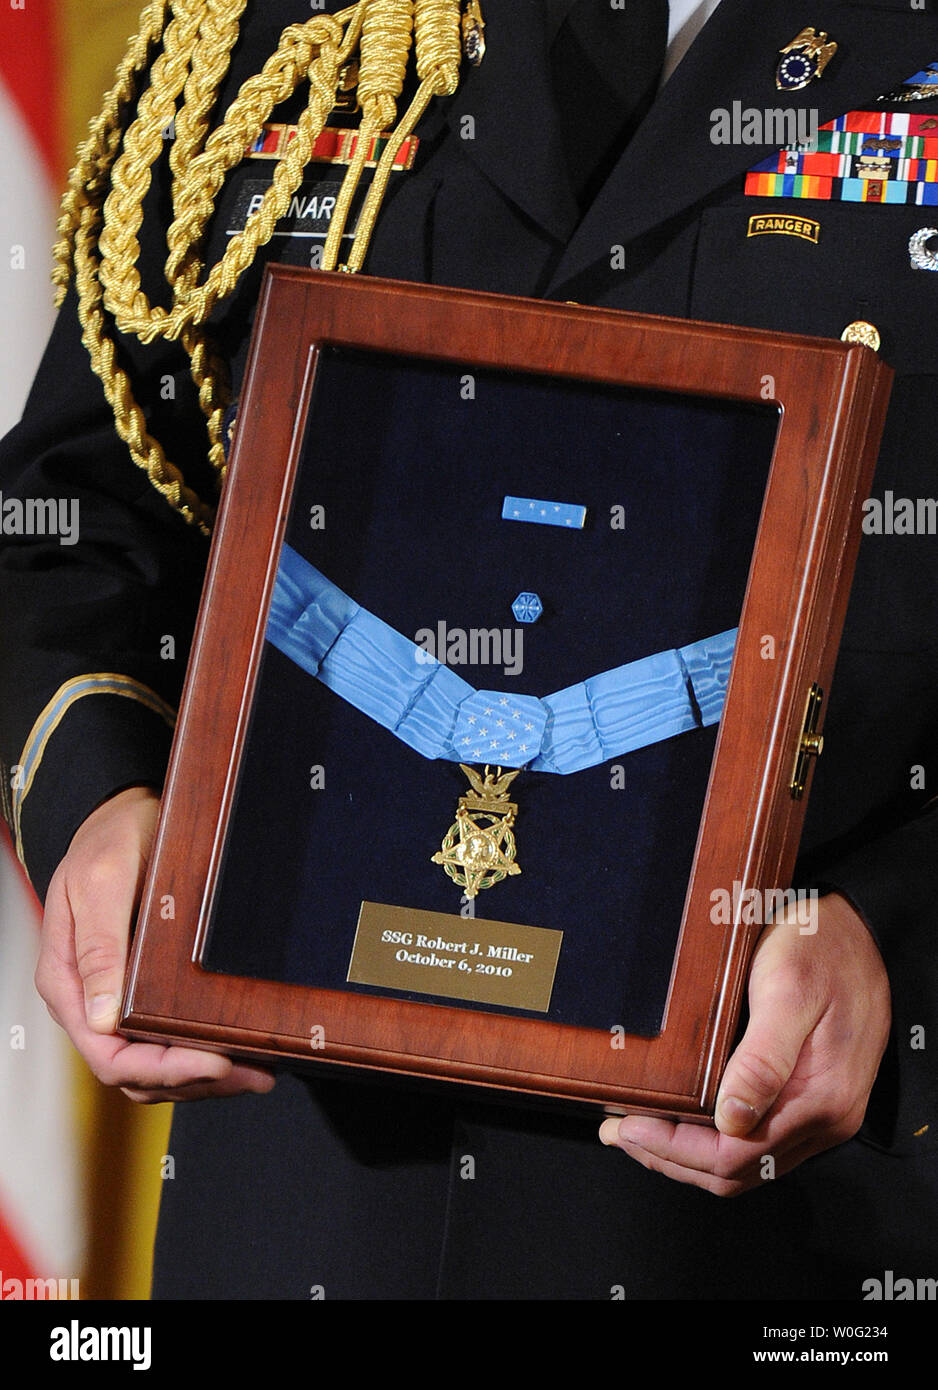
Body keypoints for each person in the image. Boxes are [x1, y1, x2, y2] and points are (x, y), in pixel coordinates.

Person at [0, 0, 935, 1299]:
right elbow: (78, 515)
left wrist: (894, 934)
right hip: (297, 1199)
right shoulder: (302, 22)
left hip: (790, 1221)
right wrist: (99, 800)